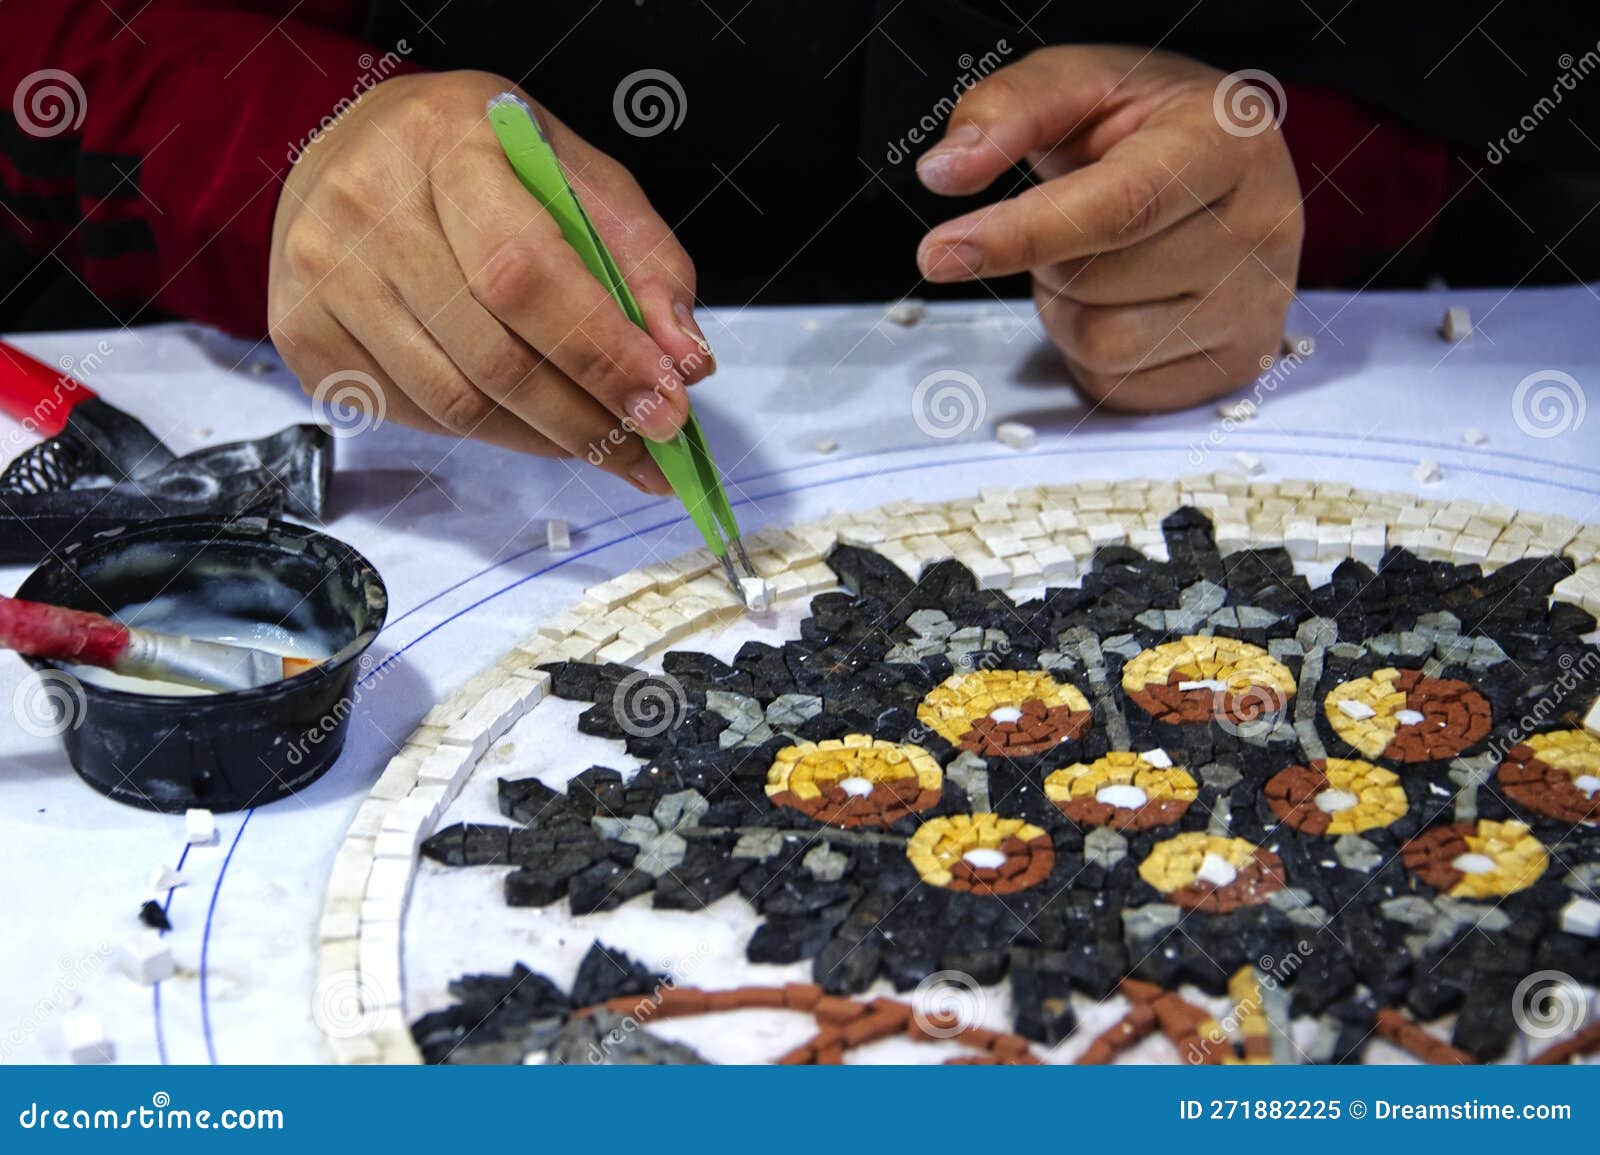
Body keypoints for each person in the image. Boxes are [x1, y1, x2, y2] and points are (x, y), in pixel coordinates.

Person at [2, 3, 1594, 495]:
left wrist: (1280, 154)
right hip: (298, 307)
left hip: (1321, 368)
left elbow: (1524, 70)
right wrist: (286, 151)